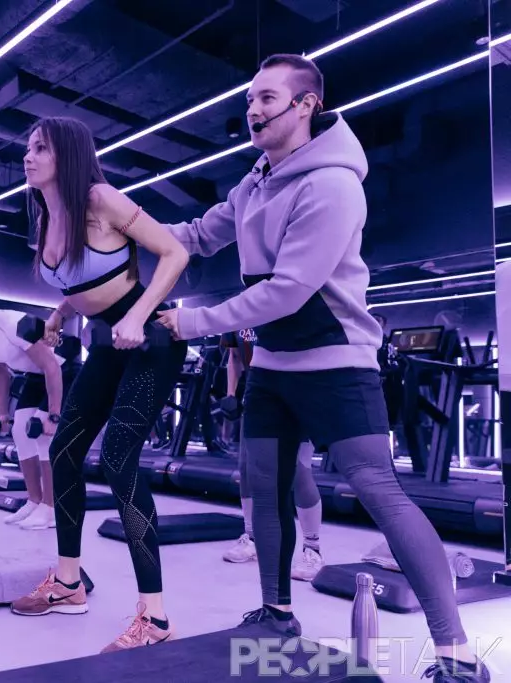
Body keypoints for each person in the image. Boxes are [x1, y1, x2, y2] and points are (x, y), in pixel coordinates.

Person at [158, 54, 488, 681]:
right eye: (250, 98)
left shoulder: (332, 184)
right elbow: (198, 234)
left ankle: (456, 652)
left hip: (337, 361)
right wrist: (122, 223)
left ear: (306, 104)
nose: (253, 109)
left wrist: (192, 322)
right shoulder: (256, 179)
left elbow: (287, 290)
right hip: (274, 365)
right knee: (266, 488)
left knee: (378, 490)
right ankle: (277, 613)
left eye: (267, 98)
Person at [6, 116, 190, 654]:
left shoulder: (100, 199)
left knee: (118, 459)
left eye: (40, 147)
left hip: (150, 339)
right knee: (63, 449)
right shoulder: (46, 215)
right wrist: (60, 312)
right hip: (108, 341)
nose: (29, 155)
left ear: (67, 154)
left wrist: (140, 317)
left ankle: (154, 616)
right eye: (28, 146)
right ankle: (68, 582)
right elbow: (85, 278)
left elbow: (175, 252)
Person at [0, 278, 67, 530]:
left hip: (63, 372)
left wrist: (53, 415)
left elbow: (51, 366)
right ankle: (34, 500)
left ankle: (51, 509)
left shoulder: (14, 324)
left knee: (40, 434)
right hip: (34, 376)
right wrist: (3, 412)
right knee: (20, 430)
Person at [220, 328, 325, 583]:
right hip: (258, 394)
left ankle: (312, 550)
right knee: (247, 468)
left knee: (299, 471)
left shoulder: (290, 295)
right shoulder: (241, 308)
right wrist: (231, 394)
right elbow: (234, 358)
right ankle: (251, 537)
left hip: (300, 393)